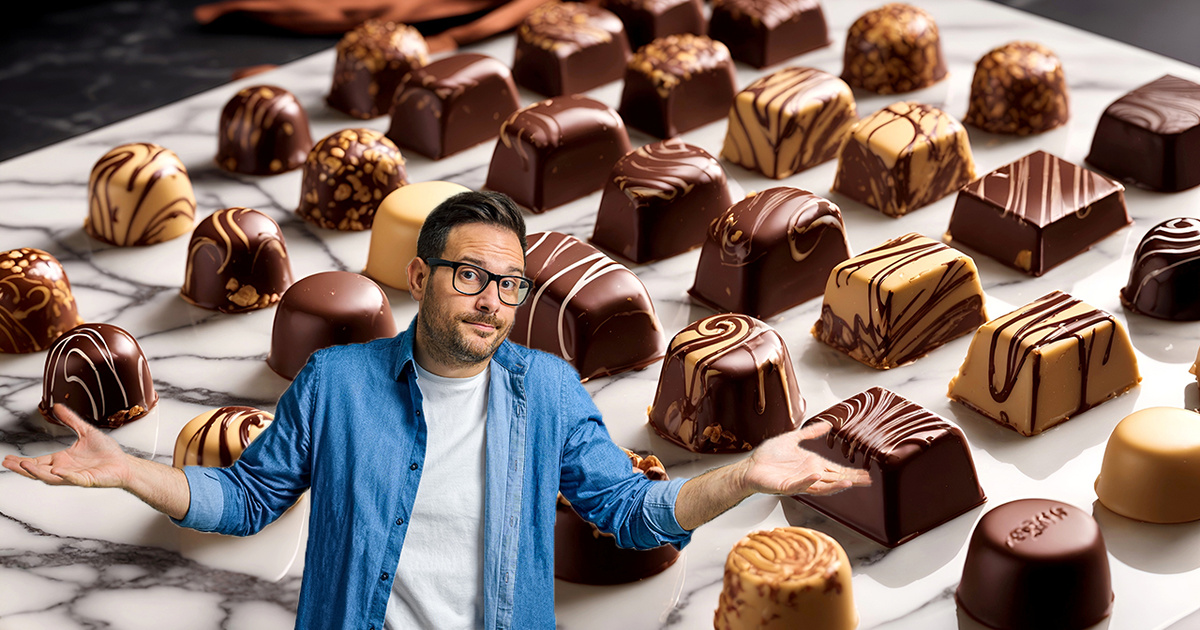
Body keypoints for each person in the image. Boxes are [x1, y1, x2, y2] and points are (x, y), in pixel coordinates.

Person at [4, 191, 868, 630]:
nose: (492, 300)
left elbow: (632, 513)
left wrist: (746, 476)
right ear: (419, 277)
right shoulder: (338, 381)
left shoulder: (549, 389)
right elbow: (247, 500)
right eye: (470, 275)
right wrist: (132, 472)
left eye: (510, 284)